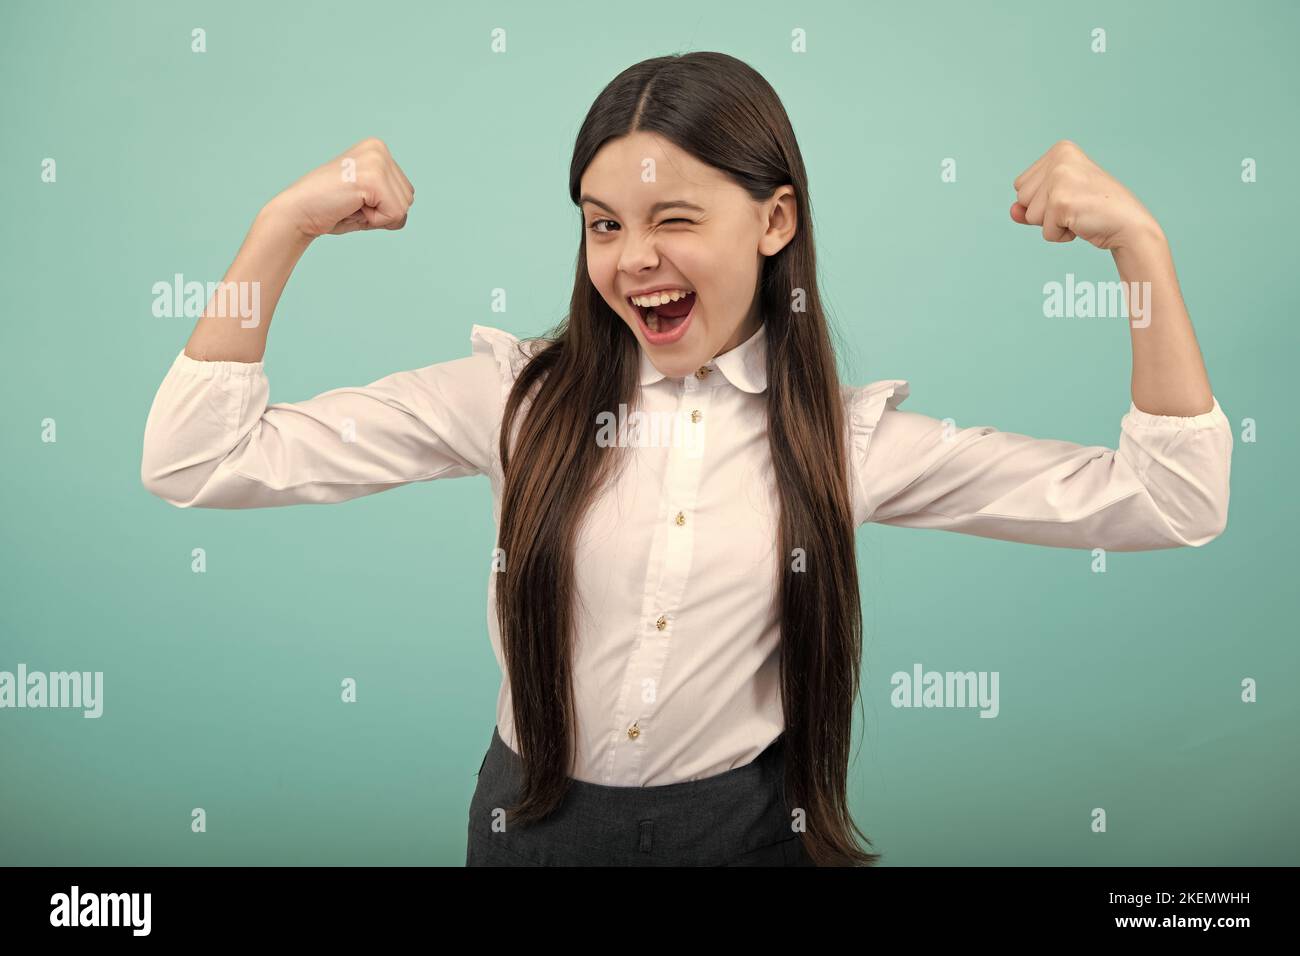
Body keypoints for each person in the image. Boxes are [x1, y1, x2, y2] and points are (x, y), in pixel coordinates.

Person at [141, 52, 1232, 867]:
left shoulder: (842, 442)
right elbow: (199, 456)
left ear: (773, 221)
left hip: (748, 832)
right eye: (602, 224)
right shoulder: (514, 397)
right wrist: (283, 222)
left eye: (672, 218)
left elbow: (1169, 498)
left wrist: (1142, 247)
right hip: (532, 827)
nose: (634, 258)